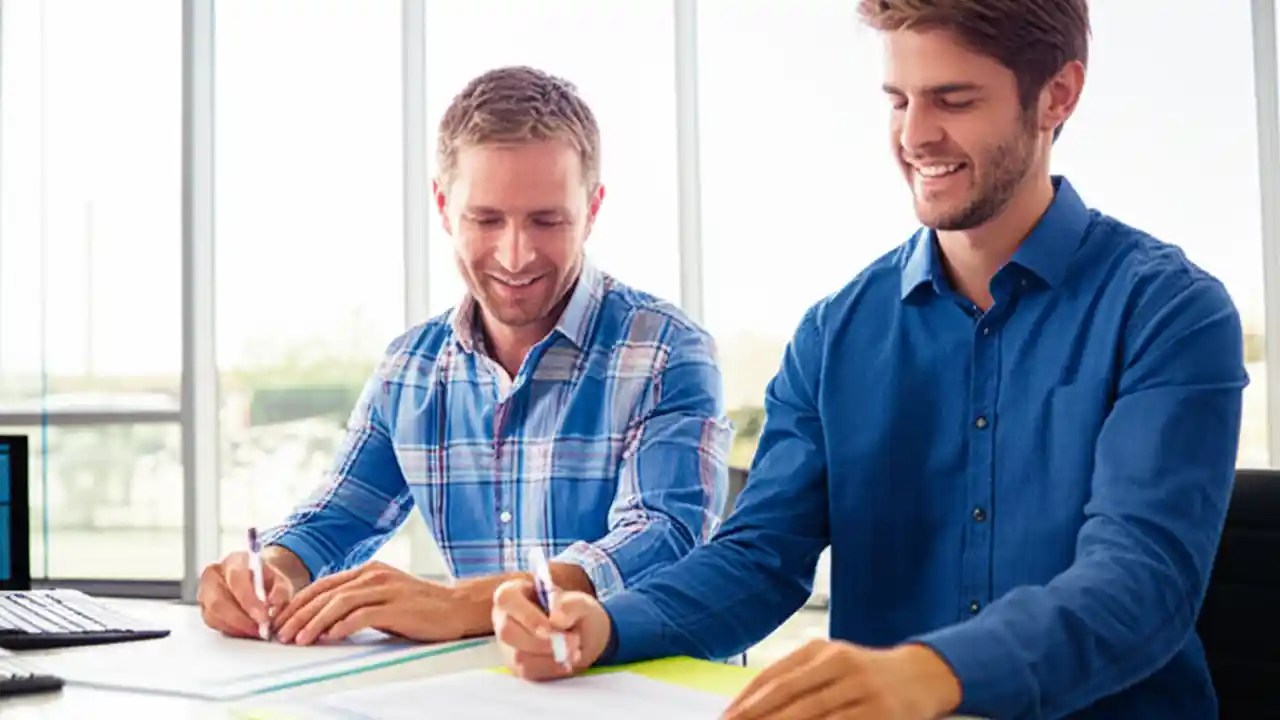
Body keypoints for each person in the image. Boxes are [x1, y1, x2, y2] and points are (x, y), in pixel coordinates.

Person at [491, 2, 1249, 717]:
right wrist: (608, 626)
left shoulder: (1170, 314)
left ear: (1057, 96)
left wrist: (929, 673)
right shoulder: (835, 333)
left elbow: (1139, 586)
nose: (915, 136)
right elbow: (762, 558)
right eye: (898, 100)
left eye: (953, 100)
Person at [196, 65, 732, 648]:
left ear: (593, 209)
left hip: (652, 690)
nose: (516, 254)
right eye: (486, 219)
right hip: (502, 692)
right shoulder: (410, 370)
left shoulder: (666, 351)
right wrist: (270, 571)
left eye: (547, 220)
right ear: (443, 206)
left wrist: (462, 603)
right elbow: (334, 519)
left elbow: (662, 538)